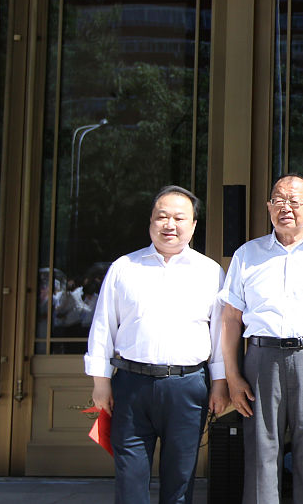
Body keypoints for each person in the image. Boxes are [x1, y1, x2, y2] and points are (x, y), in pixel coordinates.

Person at [84, 185, 228, 504]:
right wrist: (100, 382)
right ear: (151, 222)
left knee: (180, 476)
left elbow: (220, 335)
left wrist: (220, 385)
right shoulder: (125, 267)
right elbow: (103, 327)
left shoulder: (209, 272)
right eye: (162, 216)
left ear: (192, 225)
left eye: (179, 217)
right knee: (130, 476)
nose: (169, 225)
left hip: (187, 385)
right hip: (131, 386)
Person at [221, 175, 303, 504]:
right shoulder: (247, 255)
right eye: (278, 200)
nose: (286, 207)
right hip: (262, 360)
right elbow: (230, 319)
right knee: (260, 454)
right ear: (268, 207)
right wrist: (233, 376)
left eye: (294, 201)